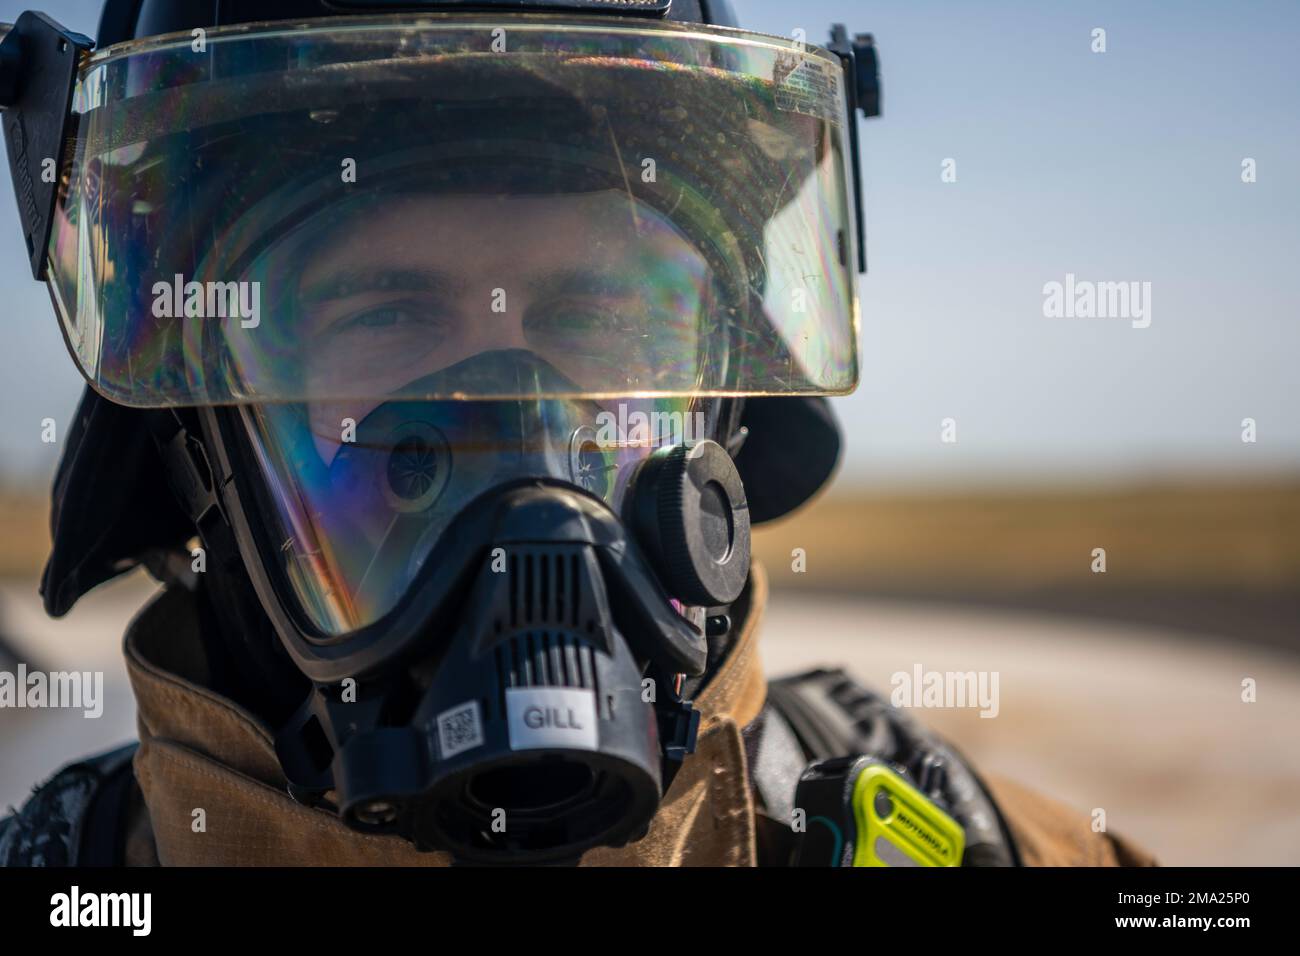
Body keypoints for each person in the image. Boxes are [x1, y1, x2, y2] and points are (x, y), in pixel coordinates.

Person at [0, 0, 1153, 867]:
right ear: (197, 445)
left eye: (600, 315)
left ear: (724, 408)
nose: (521, 438)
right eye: (388, 315)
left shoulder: (963, 843)